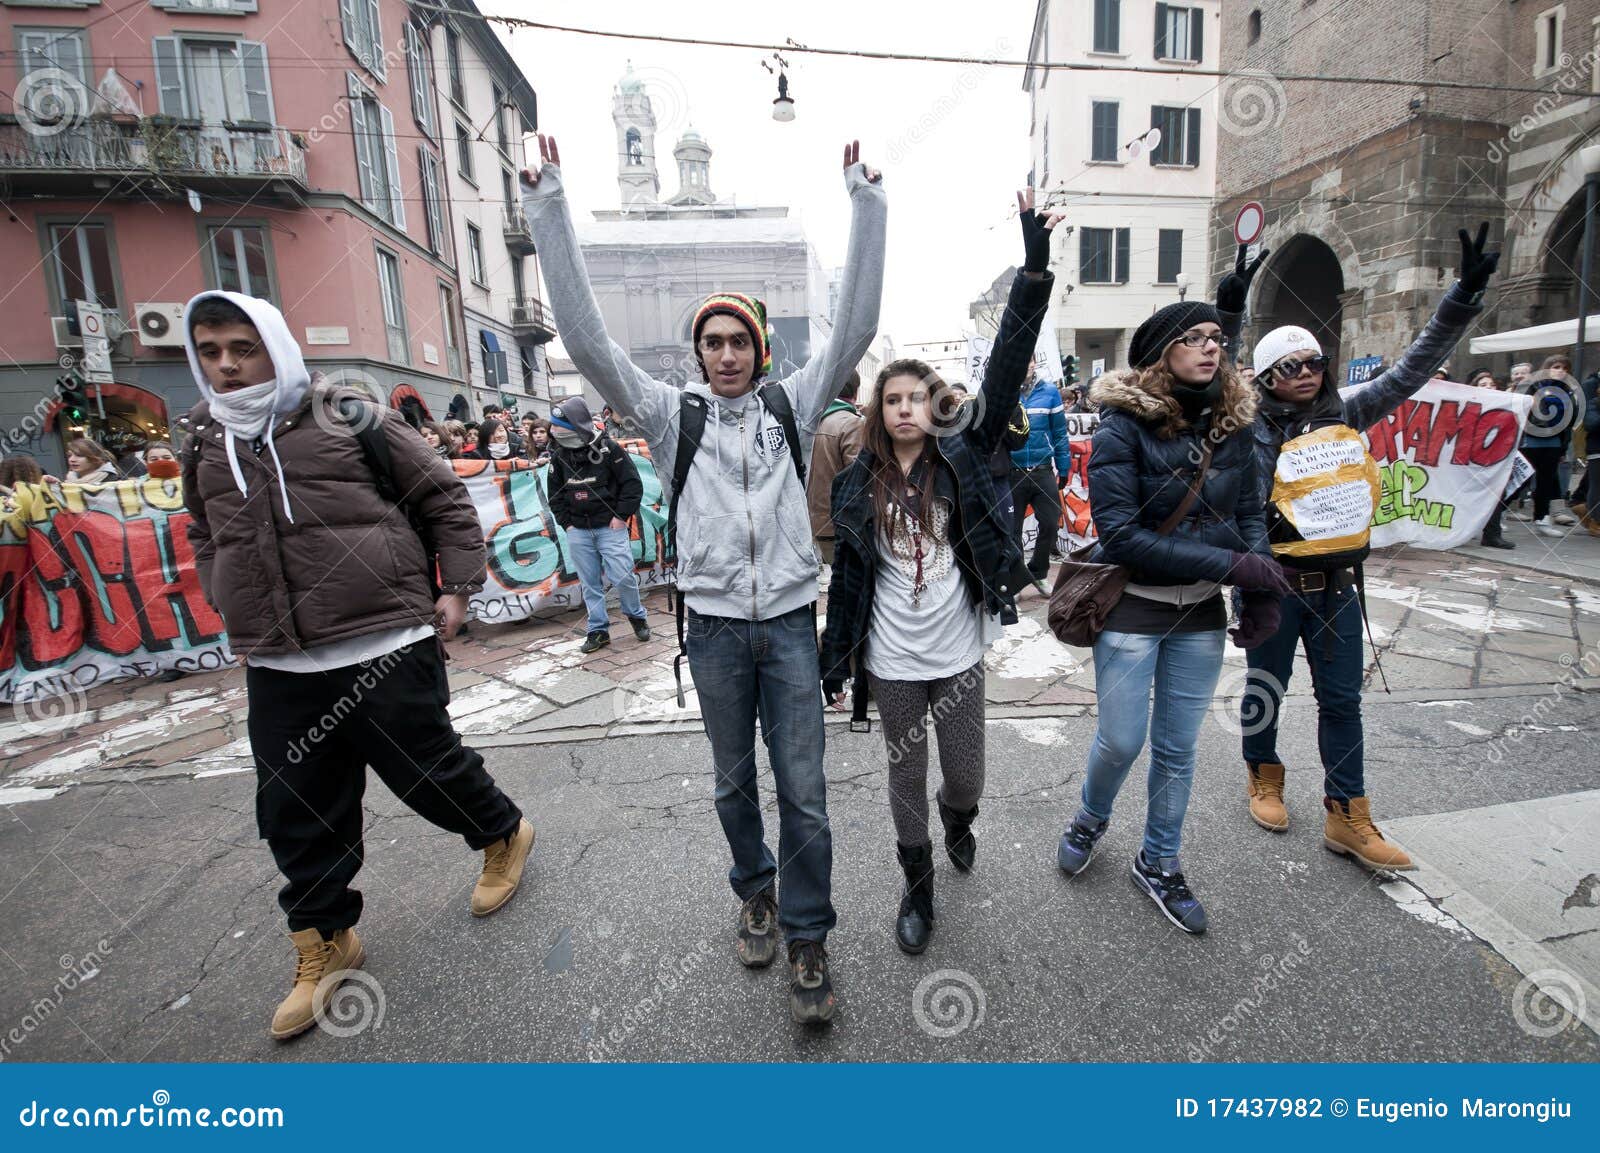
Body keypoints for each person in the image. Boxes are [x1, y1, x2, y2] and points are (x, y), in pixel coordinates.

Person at [521, 134, 885, 1024]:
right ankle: (754, 892)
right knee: (733, 784)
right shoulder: (667, 413)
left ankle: (808, 935)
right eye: (712, 341)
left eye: (739, 341)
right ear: (697, 352)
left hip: (792, 622)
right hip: (715, 629)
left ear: (761, 350)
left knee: (803, 788)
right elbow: (586, 338)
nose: (725, 354)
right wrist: (548, 205)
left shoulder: (791, 405)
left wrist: (866, 205)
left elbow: (858, 329)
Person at [177, 291, 533, 1041]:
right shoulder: (207, 437)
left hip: (382, 640)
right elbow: (205, 531)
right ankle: (324, 937)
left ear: (274, 343)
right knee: (293, 807)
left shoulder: (346, 413)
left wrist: (458, 588)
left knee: (426, 771)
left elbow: (442, 496)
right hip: (278, 659)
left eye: (242, 346)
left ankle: (502, 832)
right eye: (210, 350)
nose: (227, 363)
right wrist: (225, 593)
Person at [821, 192, 1053, 954]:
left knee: (967, 777)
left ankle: (960, 818)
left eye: (917, 395)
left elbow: (1012, 358)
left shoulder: (965, 454)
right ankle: (916, 886)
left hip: (957, 654)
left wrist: (1035, 265)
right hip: (891, 659)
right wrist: (835, 657)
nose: (906, 407)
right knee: (902, 777)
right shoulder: (857, 482)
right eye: (892, 398)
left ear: (933, 404)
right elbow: (849, 580)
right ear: (878, 410)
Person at [1231, 225, 1498, 872]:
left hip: (1338, 589)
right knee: (1265, 685)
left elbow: (1410, 370)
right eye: (1289, 366)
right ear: (1266, 377)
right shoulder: (1243, 427)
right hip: (1274, 585)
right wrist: (1232, 305)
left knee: (1343, 701)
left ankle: (1347, 814)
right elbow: (1209, 389)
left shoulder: (1349, 410)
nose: (1306, 373)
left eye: (1314, 361)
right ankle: (1264, 775)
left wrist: (1461, 295)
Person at [1054, 291, 1288, 936]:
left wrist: (1259, 588)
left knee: (1178, 750)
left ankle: (1159, 862)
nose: (1212, 347)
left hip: (1200, 619)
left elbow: (1246, 518)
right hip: (1133, 609)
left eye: (1218, 336)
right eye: (1195, 337)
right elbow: (1123, 536)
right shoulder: (1120, 426)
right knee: (1122, 740)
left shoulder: (1236, 424)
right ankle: (1090, 817)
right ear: (1162, 353)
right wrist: (1231, 565)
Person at [546, 395, 651, 653]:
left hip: (609, 527)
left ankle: (636, 616)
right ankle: (598, 630)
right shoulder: (558, 457)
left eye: (560, 425)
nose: (554, 430)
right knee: (589, 583)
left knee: (623, 575)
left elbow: (632, 485)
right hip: (578, 531)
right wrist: (567, 524)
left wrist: (620, 517)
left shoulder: (609, 449)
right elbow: (555, 495)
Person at [1008, 358, 1072, 595]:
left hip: (1042, 468)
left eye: (1029, 359)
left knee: (1049, 522)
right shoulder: (1004, 392)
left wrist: (1064, 467)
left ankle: (1038, 573)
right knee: (1011, 529)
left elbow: (1059, 433)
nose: (1025, 364)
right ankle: (1015, 579)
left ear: (1034, 363)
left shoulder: (1050, 392)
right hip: (1012, 472)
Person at [807, 370, 865, 569]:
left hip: (810, 524)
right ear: (855, 393)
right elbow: (859, 479)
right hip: (840, 526)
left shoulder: (808, 421)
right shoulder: (851, 423)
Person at [1518, 354, 1580, 535]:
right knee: (1521, 479)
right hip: (1530, 441)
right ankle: (1497, 514)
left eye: (1564, 368)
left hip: (1553, 442)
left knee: (1546, 482)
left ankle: (1541, 519)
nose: (1560, 371)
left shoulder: (1568, 392)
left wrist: (1563, 447)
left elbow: (1568, 423)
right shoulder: (1533, 387)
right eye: (1557, 367)